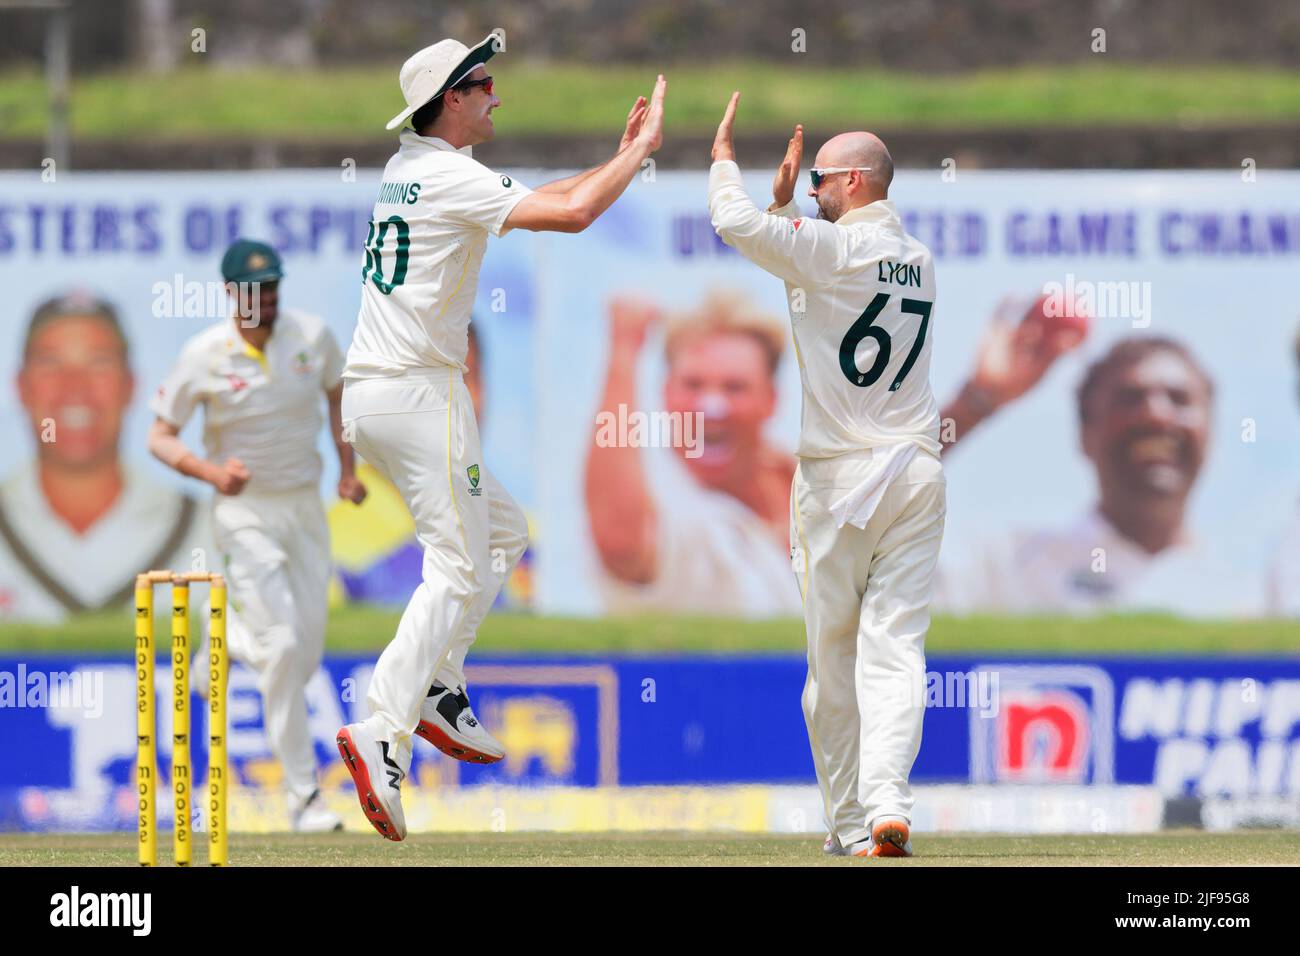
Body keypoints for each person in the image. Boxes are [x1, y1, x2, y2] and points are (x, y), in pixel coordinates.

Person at [334, 33, 666, 841]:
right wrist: (642, 155)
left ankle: (441, 685)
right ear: (449, 98)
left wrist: (609, 159)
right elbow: (576, 213)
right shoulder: (446, 177)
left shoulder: (411, 170)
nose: (496, 94)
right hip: (420, 394)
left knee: (503, 532)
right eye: (483, 82)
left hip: (372, 396)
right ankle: (386, 724)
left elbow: (545, 195)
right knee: (455, 562)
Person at [709, 96, 945, 858]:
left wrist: (722, 161)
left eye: (819, 179)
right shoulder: (920, 259)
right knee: (898, 647)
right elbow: (802, 272)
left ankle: (849, 824)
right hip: (914, 474)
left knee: (833, 664)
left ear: (853, 182)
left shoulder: (832, 249)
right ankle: (889, 806)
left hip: (839, 484)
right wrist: (787, 206)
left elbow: (737, 227)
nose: (812, 189)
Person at [148, 239, 364, 832]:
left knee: (304, 654)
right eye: (252, 290)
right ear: (228, 293)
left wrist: (347, 471)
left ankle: (233, 639)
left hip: (304, 509)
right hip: (243, 514)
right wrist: (211, 472)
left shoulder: (311, 336)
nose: (263, 301)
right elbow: (160, 437)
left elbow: (337, 397)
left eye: (271, 288)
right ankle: (304, 799)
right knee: (286, 647)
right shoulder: (204, 355)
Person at [937, 334, 1253, 615]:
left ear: (1210, 432)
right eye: (1130, 399)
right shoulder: (1005, 568)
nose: (1157, 415)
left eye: (1179, 399)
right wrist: (974, 402)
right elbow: (887, 514)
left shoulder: (1247, 601)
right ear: (1085, 435)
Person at [585, 290, 800, 616]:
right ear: (666, 393)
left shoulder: (808, 488)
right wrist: (624, 349)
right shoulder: (663, 501)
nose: (711, 406)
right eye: (693, 385)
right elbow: (619, 541)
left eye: (734, 387)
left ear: (771, 399)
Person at [0, 292, 206, 622]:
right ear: (21, 388)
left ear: (130, 386)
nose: (75, 387)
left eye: (99, 363)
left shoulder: (206, 531)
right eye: (50, 364)